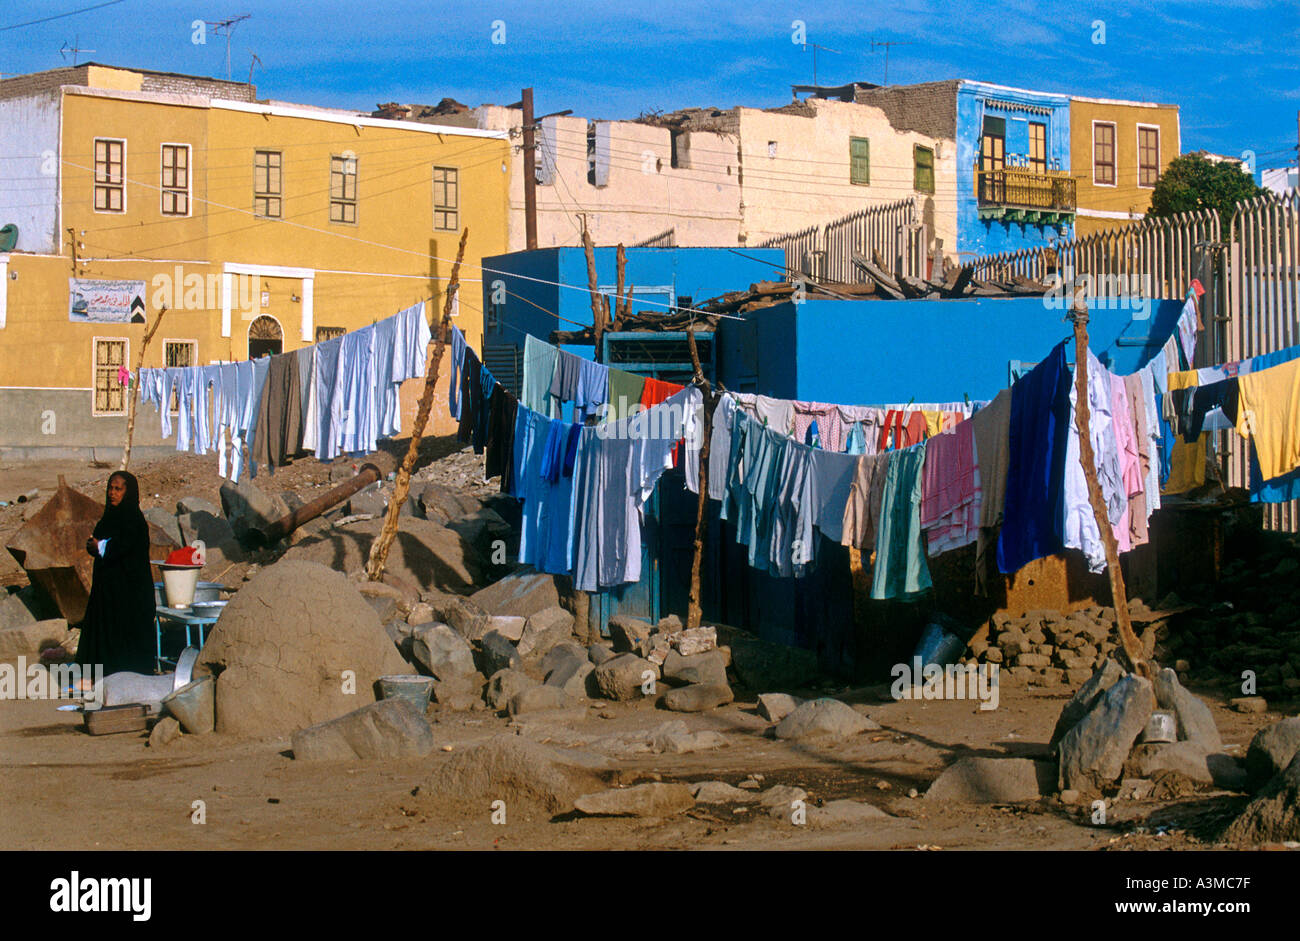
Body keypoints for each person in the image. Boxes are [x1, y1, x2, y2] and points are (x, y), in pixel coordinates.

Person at [75, 471, 157, 678]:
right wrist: (94, 546)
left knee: (125, 637)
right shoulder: (109, 517)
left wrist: (100, 546)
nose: (112, 493)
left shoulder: (134, 520)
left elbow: (125, 546)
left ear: (128, 493)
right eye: (110, 488)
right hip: (108, 590)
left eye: (118, 489)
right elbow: (101, 539)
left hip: (129, 593)